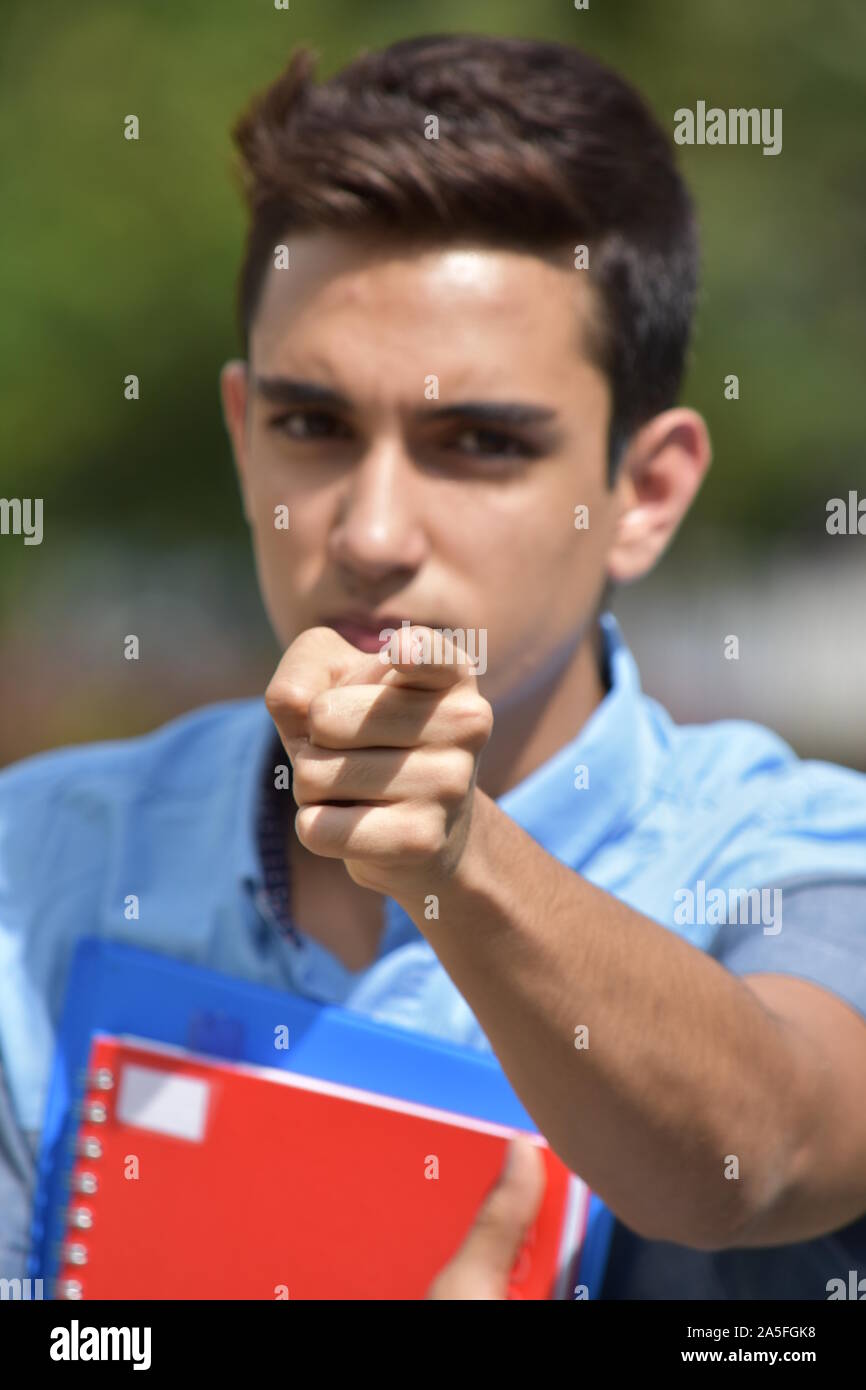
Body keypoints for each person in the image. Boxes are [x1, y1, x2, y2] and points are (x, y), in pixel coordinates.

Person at [2, 34, 865, 1301]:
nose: (368, 533)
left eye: (475, 442)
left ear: (645, 490)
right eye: (313, 425)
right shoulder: (35, 861)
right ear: (243, 439)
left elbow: (765, 1149)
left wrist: (452, 852)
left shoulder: (792, 854)